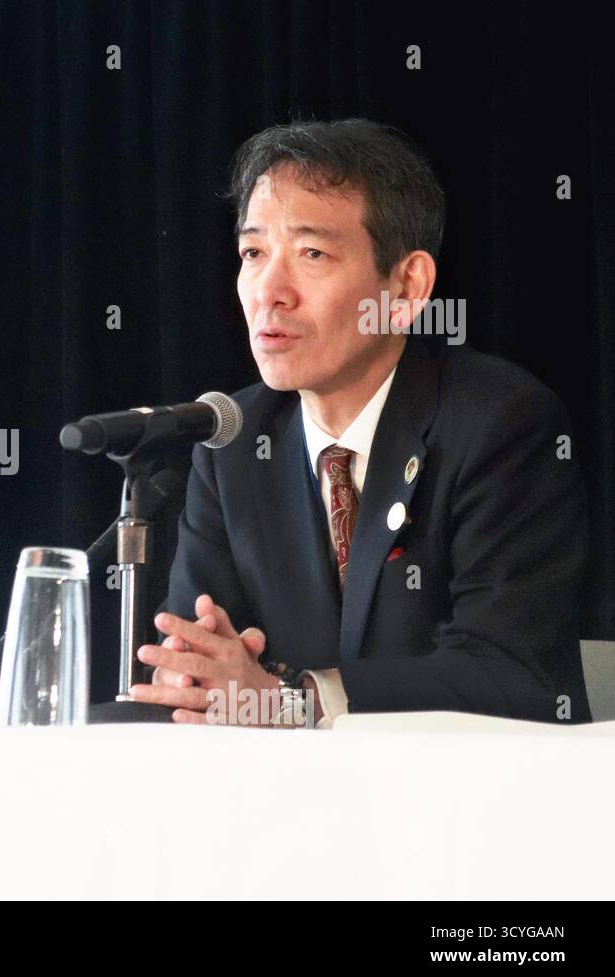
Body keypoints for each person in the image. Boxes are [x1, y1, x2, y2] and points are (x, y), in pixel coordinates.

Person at [132, 119, 591, 727]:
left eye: (312, 253)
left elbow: (509, 668)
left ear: (406, 285)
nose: (269, 291)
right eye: (253, 253)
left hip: (470, 801)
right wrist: (190, 673)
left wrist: (293, 699)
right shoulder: (235, 439)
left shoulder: (501, 424)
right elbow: (201, 649)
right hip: (281, 808)